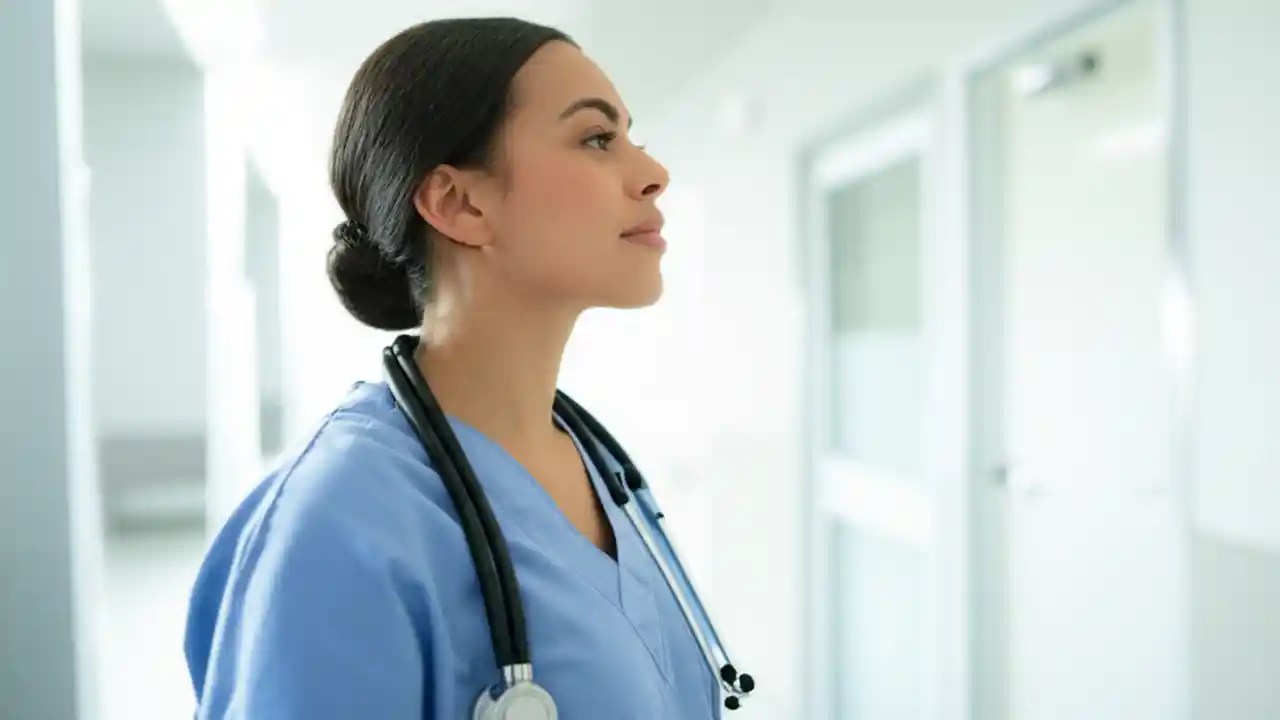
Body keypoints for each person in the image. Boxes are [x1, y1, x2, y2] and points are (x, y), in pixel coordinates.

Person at [183, 16, 725, 719]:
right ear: (458, 202)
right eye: (597, 138)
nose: (654, 174)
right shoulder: (337, 524)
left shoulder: (597, 468)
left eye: (631, 137)